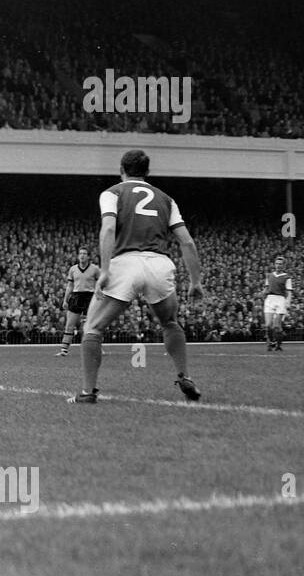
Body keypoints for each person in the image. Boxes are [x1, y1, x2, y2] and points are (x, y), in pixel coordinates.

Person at [71, 149, 204, 404]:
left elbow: (108, 229)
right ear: (148, 172)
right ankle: (184, 375)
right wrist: (195, 281)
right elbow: (187, 242)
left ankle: (88, 392)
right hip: (159, 264)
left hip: (125, 263)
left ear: (121, 170)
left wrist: (105, 270)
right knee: (170, 322)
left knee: (93, 328)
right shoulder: (167, 199)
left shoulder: (112, 193)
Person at [57, 248, 101, 356]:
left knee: (90, 325)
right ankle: (64, 350)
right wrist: (65, 300)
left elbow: (100, 282)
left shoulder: (95, 269)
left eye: (85, 253)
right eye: (80, 253)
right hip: (76, 296)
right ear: (78, 256)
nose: (82, 255)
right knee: (69, 324)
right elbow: (69, 286)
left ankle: (96, 348)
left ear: (88, 256)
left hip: (89, 297)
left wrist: (98, 293)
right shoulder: (73, 269)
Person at [263, 255, 292, 351]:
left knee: (276, 326)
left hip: (280, 300)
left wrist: (288, 302)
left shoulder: (287, 277)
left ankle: (278, 345)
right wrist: (263, 293)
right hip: (270, 299)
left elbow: (289, 291)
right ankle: (271, 342)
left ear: (284, 265)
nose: (278, 265)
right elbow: (266, 288)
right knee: (268, 325)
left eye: (280, 264)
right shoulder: (269, 275)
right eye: (277, 263)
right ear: (274, 264)